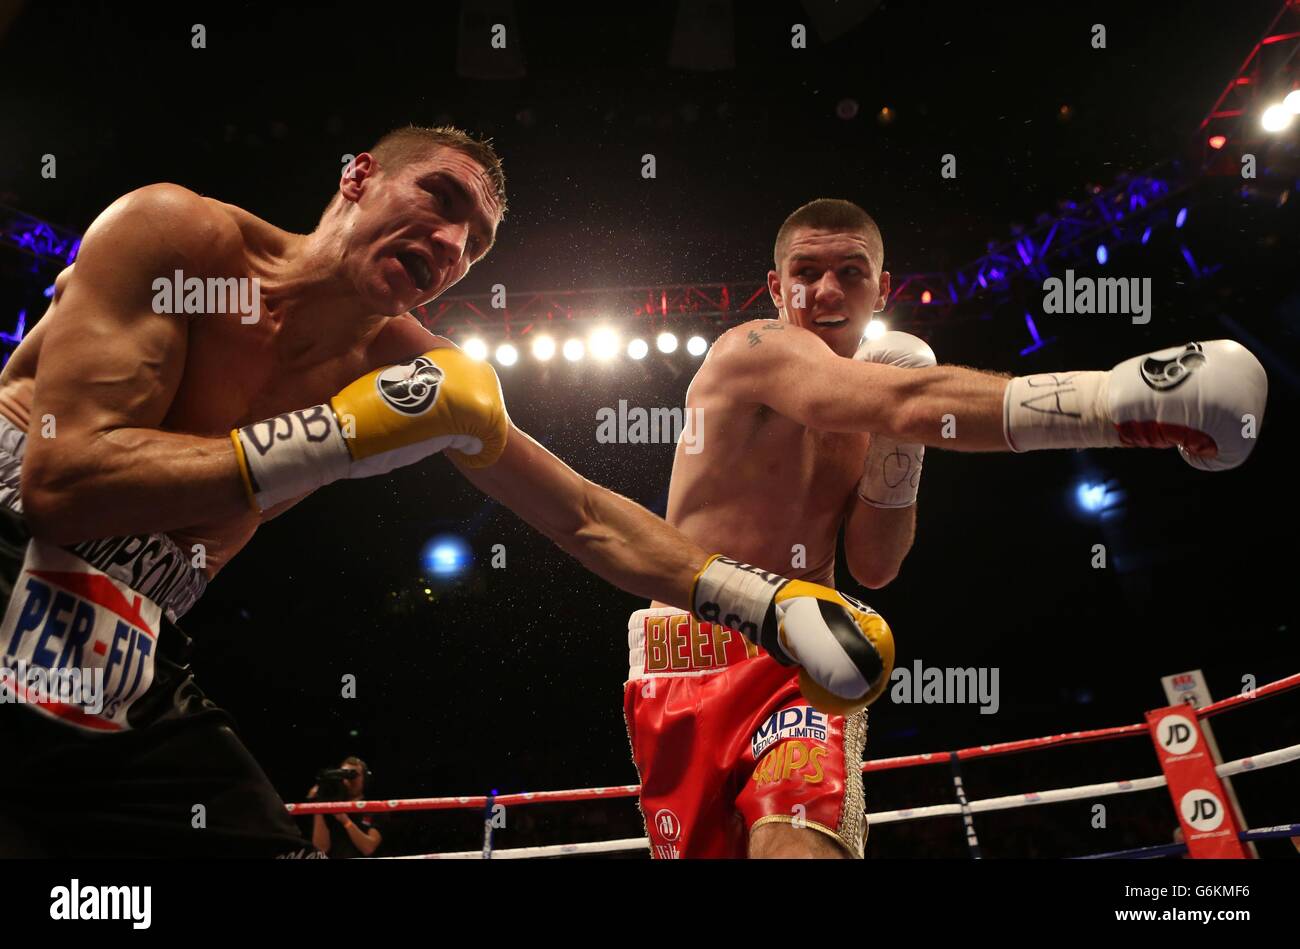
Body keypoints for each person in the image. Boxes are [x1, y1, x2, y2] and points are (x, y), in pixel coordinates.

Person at [0, 131, 891, 857]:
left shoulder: (420, 371)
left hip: (122, 641)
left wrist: (762, 601)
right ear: (357, 176)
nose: (454, 245)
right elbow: (63, 483)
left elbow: (580, 513)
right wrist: (332, 437)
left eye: (476, 242)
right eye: (441, 199)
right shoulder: (176, 235)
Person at [624, 198, 1268, 859]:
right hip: (686, 654)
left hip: (807, 653)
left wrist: (900, 452)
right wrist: (1115, 402)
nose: (826, 290)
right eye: (805, 270)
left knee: (798, 841)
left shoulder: (876, 393)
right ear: (773, 286)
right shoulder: (749, 351)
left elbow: (874, 564)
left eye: (851, 270)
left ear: (882, 286)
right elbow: (912, 400)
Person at [307, 757, 382, 858]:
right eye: (344, 775)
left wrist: (345, 820)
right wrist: (319, 806)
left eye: (353, 775)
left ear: (365, 779)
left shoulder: (374, 808)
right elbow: (321, 849)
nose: (349, 780)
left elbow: (368, 848)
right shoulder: (330, 807)